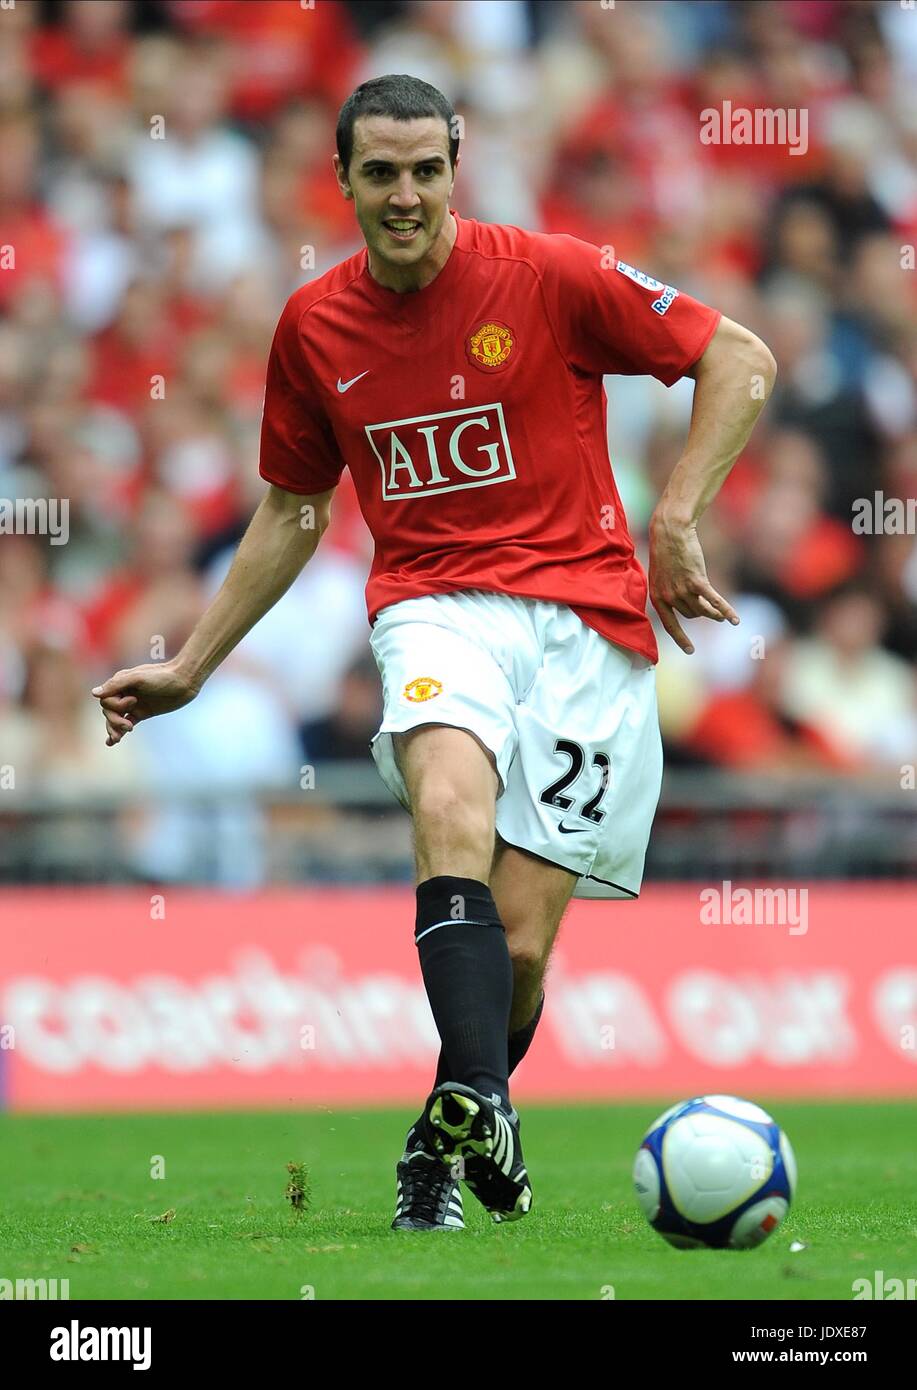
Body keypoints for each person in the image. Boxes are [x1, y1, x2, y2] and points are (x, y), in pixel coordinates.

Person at [93, 73, 776, 1232]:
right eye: (380, 173)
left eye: (424, 168)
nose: (404, 194)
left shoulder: (549, 274)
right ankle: (457, 1130)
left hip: (588, 629)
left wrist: (673, 518)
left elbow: (740, 357)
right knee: (448, 808)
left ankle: (459, 1113)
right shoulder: (313, 325)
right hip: (434, 603)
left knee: (516, 952)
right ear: (344, 179)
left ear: (454, 164)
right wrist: (193, 663)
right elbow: (295, 508)